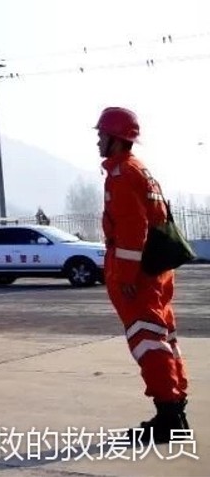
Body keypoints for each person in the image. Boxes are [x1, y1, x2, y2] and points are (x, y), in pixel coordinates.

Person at [94, 106, 190, 442]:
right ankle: (175, 409)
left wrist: (125, 276)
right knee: (163, 339)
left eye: (102, 135)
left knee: (148, 341)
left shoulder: (122, 175)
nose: (98, 141)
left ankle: (168, 419)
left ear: (116, 139)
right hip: (156, 270)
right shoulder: (140, 170)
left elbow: (132, 231)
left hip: (139, 275)